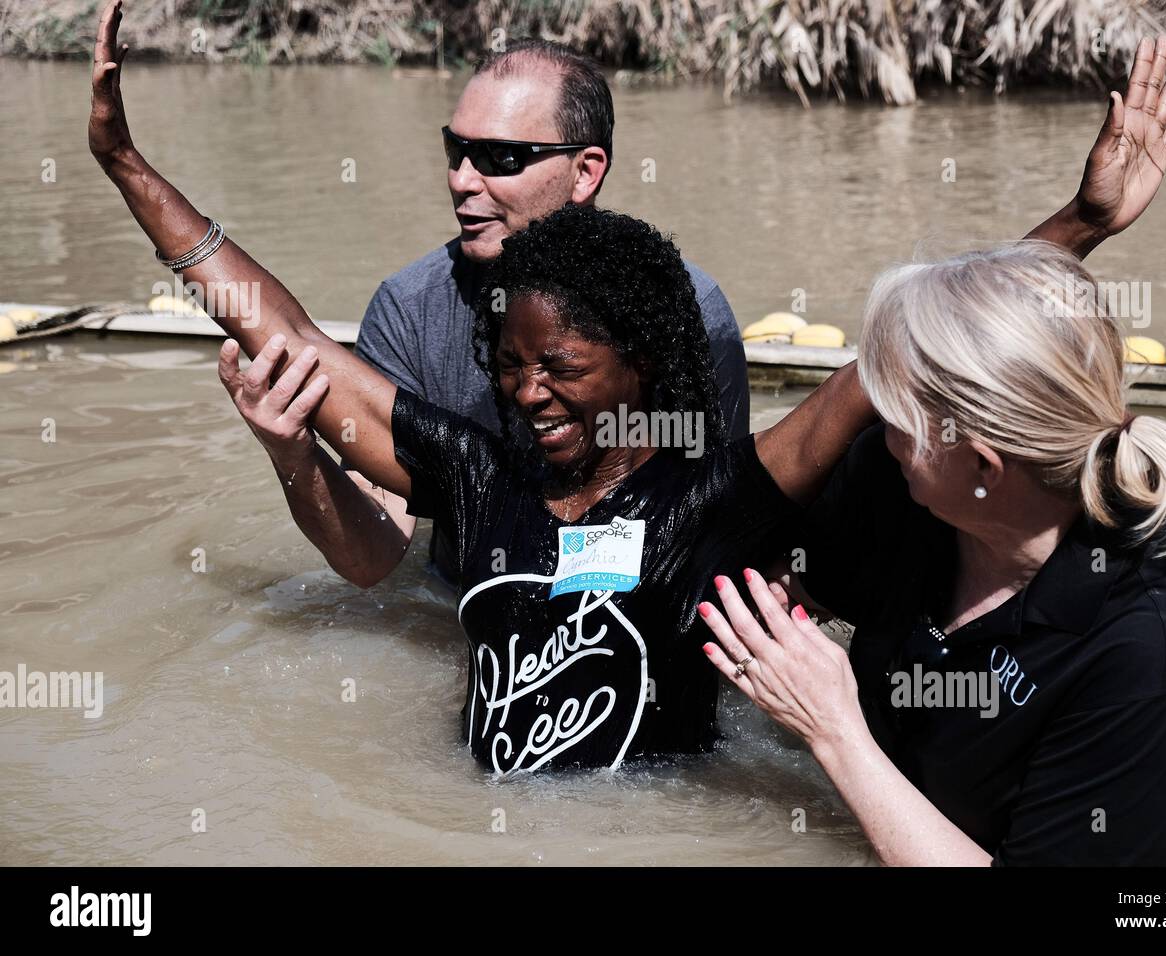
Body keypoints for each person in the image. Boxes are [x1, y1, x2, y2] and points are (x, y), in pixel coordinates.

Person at [88, 0, 875, 771]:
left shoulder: (697, 422)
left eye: (562, 368)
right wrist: (127, 166)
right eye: (508, 366)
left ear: (646, 364)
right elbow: (291, 341)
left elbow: (868, 387)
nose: (529, 395)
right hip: (470, 641)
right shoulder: (479, 473)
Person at [699, 239, 1166, 866]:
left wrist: (835, 731)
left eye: (900, 413)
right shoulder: (902, 485)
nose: (883, 426)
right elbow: (796, 585)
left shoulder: (1152, 657)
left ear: (983, 462)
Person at [227, 36, 752, 589]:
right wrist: (296, 458)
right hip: (467, 607)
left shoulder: (689, 308)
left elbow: (722, 527)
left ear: (585, 172)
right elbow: (372, 559)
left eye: (501, 158)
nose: (461, 180)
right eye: (456, 151)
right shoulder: (410, 309)